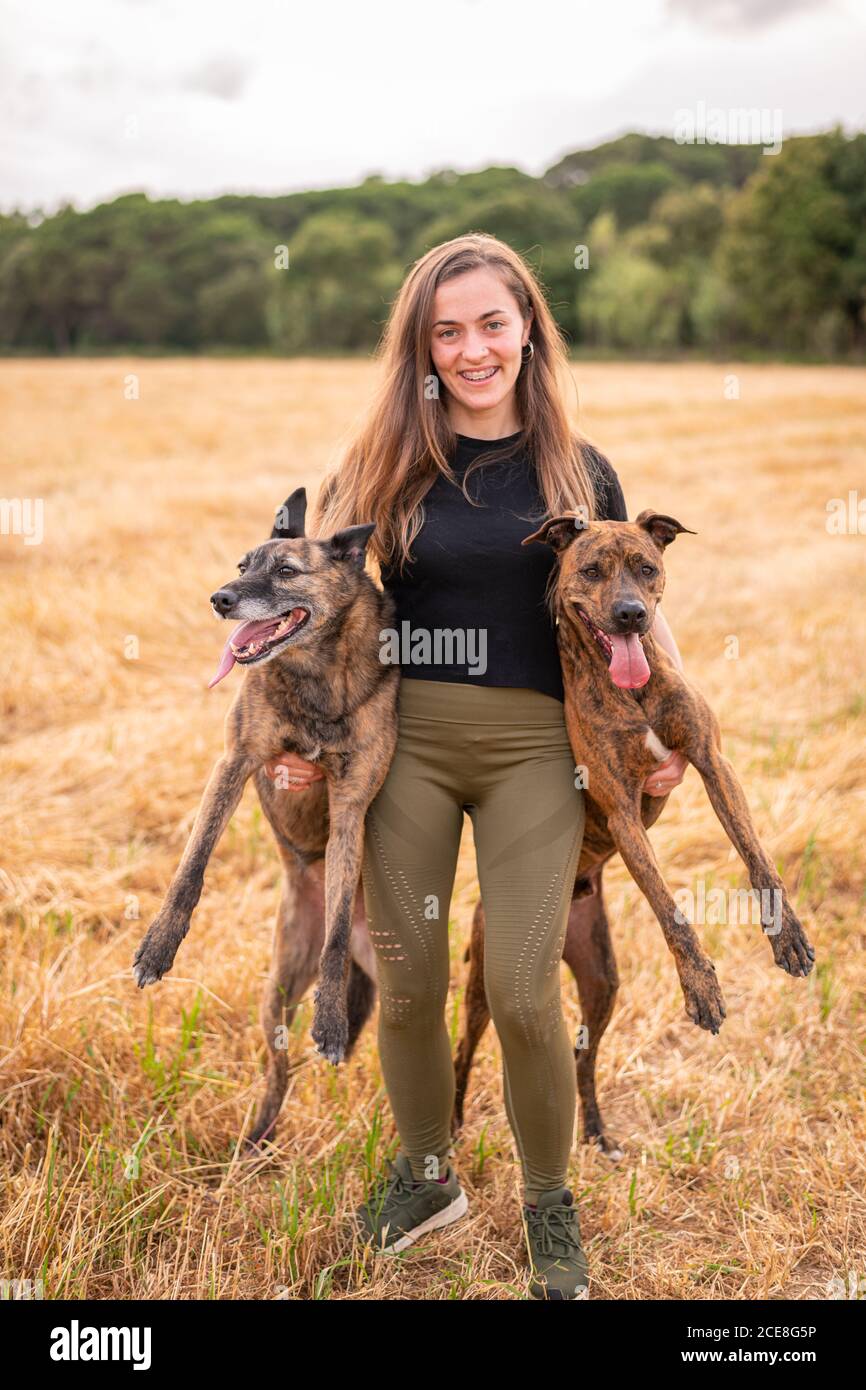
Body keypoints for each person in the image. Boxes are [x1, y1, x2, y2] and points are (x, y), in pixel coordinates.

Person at [263, 233, 687, 1299]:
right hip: (401, 749)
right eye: (446, 331)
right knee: (404, 984)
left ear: (528, 329)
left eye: (491, 323)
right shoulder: (373, 470)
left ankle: (549, 1202)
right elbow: (315, 619)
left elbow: (627, 603)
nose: (471, 348)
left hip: (533, 754)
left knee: (520, 989)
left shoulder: (578, 469)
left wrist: (657, 732)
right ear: (421, 346)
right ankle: (425, 1174)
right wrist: (302, 743)